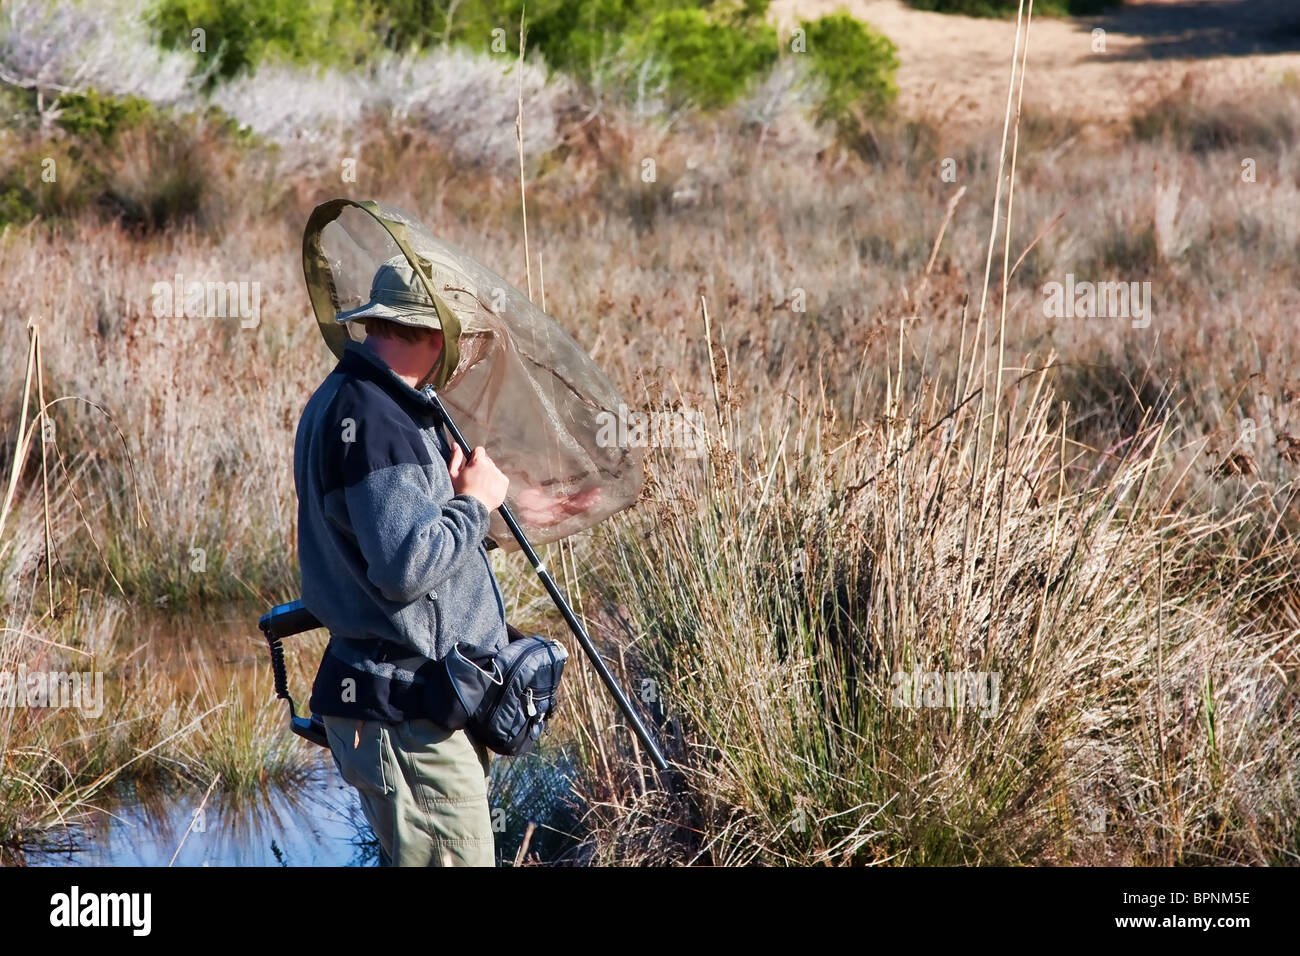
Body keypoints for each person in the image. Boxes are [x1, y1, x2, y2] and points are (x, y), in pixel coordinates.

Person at [293, 255, 509, 867]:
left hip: (400, 709)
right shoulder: (375, 419)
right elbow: (402, 568)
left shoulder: (355, 400)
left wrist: (470, 512)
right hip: (406, 719)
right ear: (439, 335)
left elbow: (393, 546)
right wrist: (474, 506)